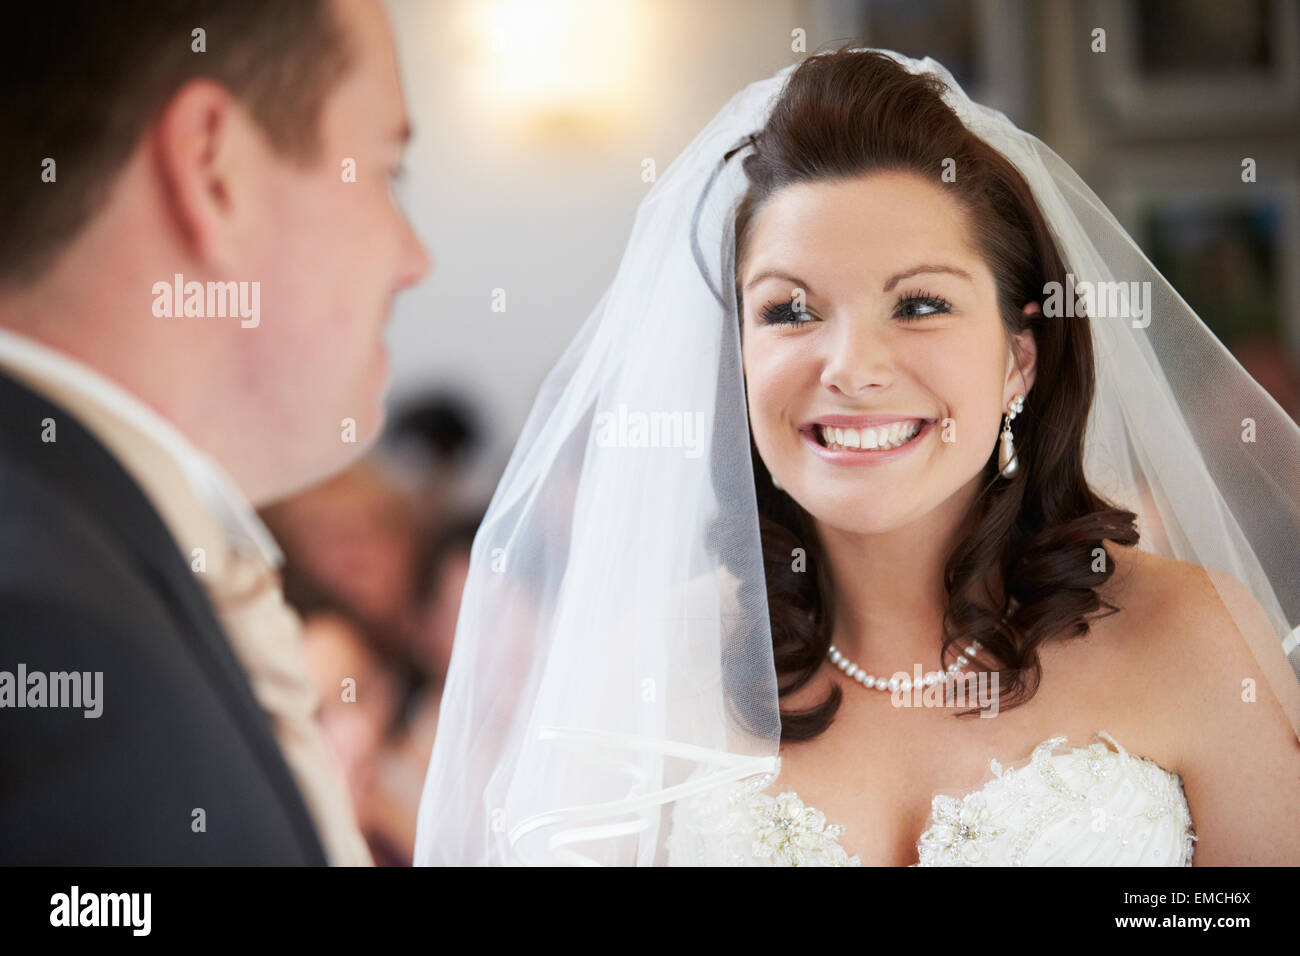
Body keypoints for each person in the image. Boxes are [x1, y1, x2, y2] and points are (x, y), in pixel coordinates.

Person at [415, 47, 1300, 866]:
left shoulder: (1194, 639)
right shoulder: (652, 667)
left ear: (1019, 358)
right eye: (790, 311)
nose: (852, 370)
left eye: (918, 305)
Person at [0, 0, 430, 864]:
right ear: (212, 169)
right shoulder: (45, 628)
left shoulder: (91, 550)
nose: (414, 256)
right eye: (387, 172)